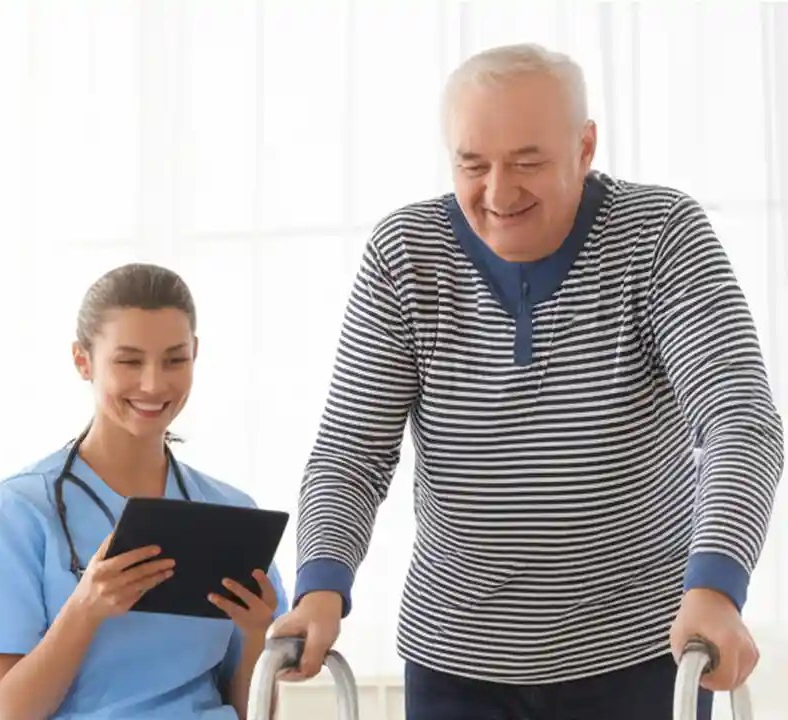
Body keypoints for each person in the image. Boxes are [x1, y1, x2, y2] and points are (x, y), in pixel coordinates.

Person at [270, 43, 784, 719]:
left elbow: (738, 421)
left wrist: (716, 588)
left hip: (638, 650)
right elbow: (352, 450)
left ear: (585, 146)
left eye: (528, 162)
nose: (498, 192)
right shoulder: (405, 254)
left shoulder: (659, 235)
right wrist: (321, 586)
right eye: (473, 165)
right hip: (455, 660)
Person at [0, 262, 290, 720]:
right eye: (128, 361)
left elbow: (252, 712)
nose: (153, 383)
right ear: (82, 360)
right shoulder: (16, 511)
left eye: (175, 359)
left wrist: (254, 636)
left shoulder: (230, 513)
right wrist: (86, 608)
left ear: (195, 354)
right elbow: (14, 712)